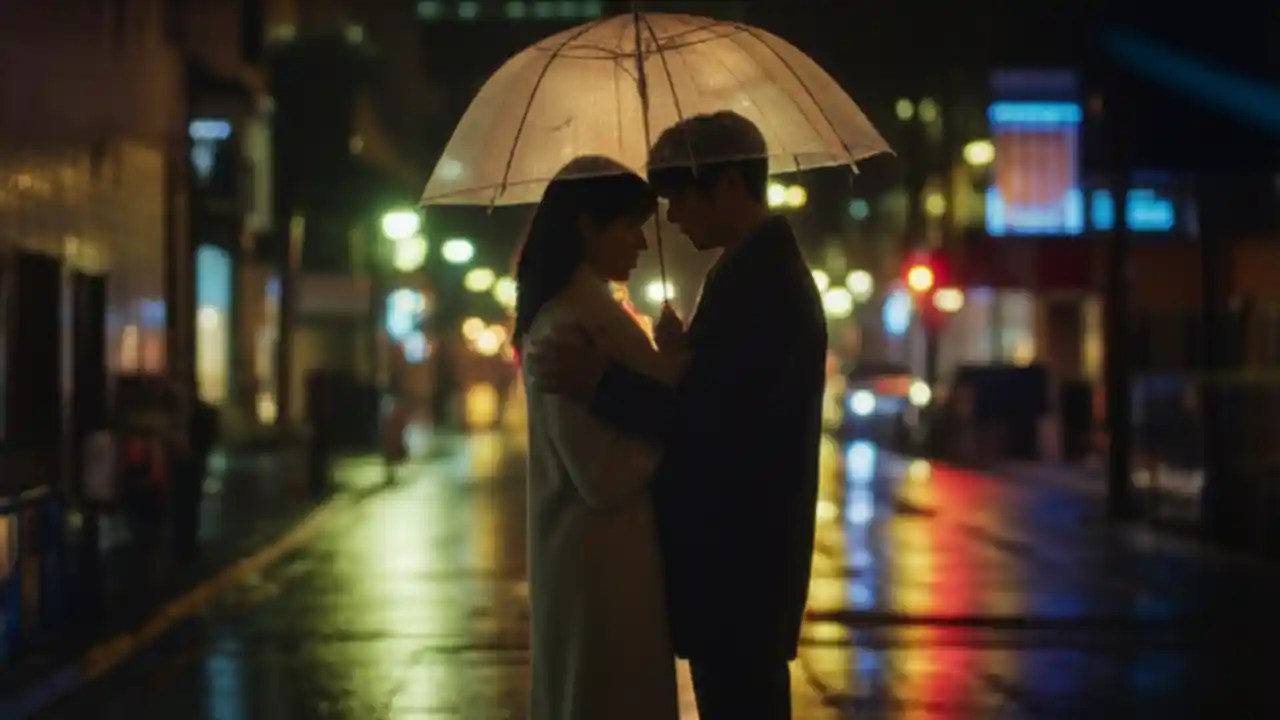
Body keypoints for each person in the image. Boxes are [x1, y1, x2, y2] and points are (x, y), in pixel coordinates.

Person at [526, 112, 828, 720]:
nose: (670, 218)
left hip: (738, 562)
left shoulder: (763, 283)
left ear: (730, 187)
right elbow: (721, 396)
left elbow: (719, 423)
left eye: (679, 197)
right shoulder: (748, 273)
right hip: (736, 561)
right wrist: (679, 357)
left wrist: (606, 383)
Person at [517, 156, 686, 720]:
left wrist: (664, 362)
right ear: (587, 227)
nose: (641, 243)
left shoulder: (594, 316)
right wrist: (673, 416)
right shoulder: (570, 325)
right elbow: (603, 477)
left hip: (612, 567)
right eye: (628, 225)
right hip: (597, 575)